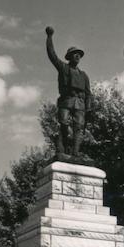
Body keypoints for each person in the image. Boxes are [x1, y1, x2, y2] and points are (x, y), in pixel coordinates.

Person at [45, 26, 91, 157]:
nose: (77, 56)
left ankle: (76, 152)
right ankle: (62, 145)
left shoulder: (84, 75)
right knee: (64, 123)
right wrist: (49, 37)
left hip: (80, 103)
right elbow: (52, 54)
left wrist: (88, 107)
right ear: (69, 57)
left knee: (78, 127)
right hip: (66, 100)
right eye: (75, 54)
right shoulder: (63, 68)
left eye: (79, 55)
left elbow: (88, 93)